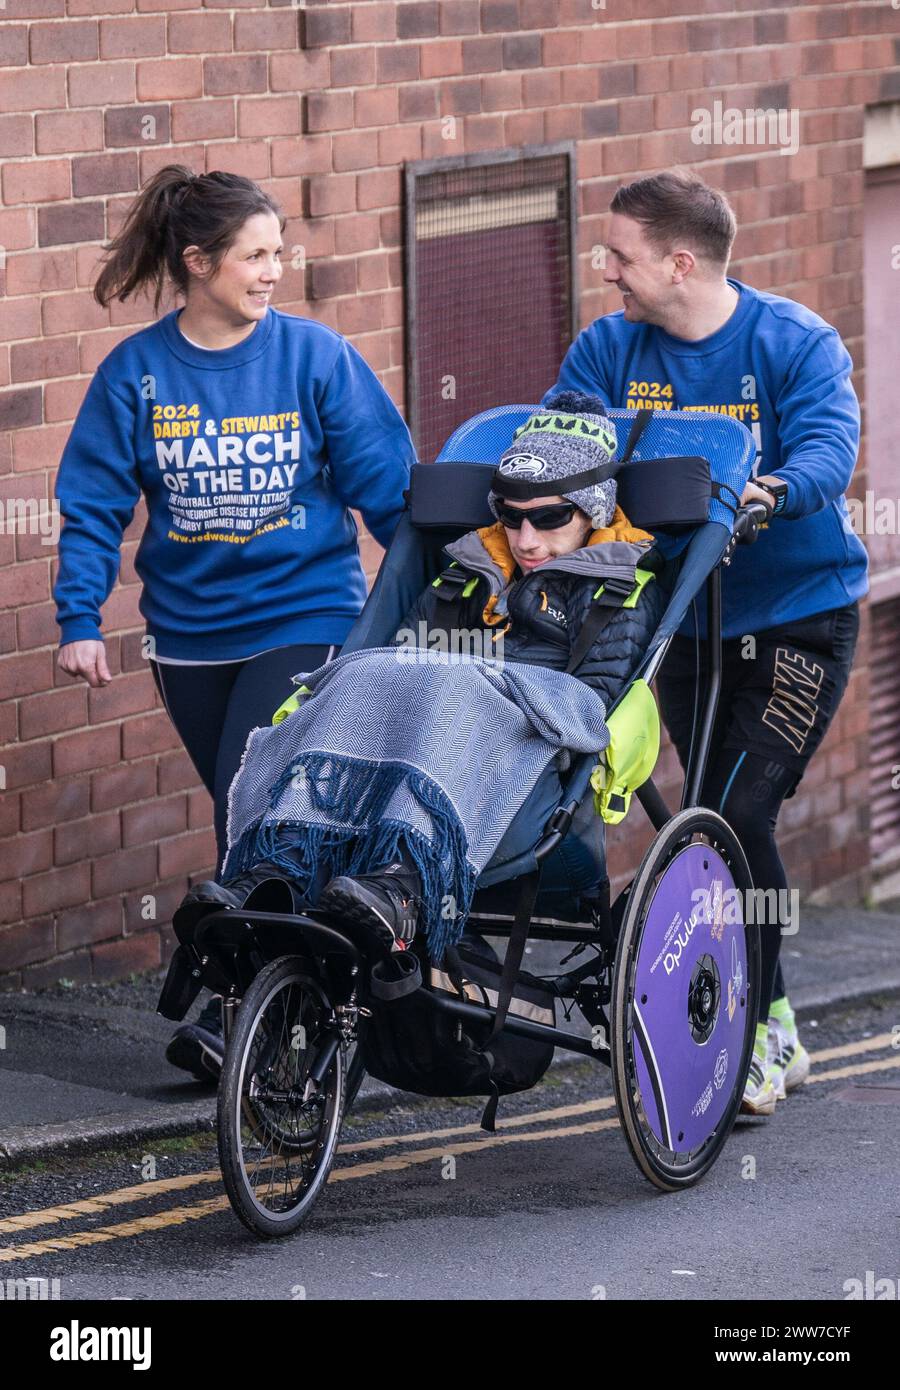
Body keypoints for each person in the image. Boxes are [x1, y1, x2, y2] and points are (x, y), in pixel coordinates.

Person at [172, 391, 666, 1074]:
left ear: (595, 512)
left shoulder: (621, 590)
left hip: (530, 791)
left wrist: (480, 684)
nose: (525, 540)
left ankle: (405, 890)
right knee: (361, 675)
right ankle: (271, 876)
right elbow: (404, 663)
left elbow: (593, 703)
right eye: (511, 517)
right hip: (426, 755)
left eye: (549, 520)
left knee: (457, 685)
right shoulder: (468, 573)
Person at [52, 164, 416, 1080]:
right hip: (188, 638)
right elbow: (93, 503)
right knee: (249, 818)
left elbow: (387, 489)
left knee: (249, 804)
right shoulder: (136, 375)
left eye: (278, 254)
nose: (272, 271)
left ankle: (238, 1023)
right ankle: (299, 1004)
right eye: (255, 256)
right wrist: (80, 617)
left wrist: (423, 600)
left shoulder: (315, 358)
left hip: (307, 615)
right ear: (199, 262)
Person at [545, 169, 868, 1116]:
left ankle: (765, 1028)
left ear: (680, 262)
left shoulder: (793, 342)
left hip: (795, 618)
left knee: (735, 814)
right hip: (676, 617)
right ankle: (745, 1007)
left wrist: (769, 492)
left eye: (621, 257)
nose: (606, 271)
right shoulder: (612, 346)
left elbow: (825, 450)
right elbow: (565, 434)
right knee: (699, 817)